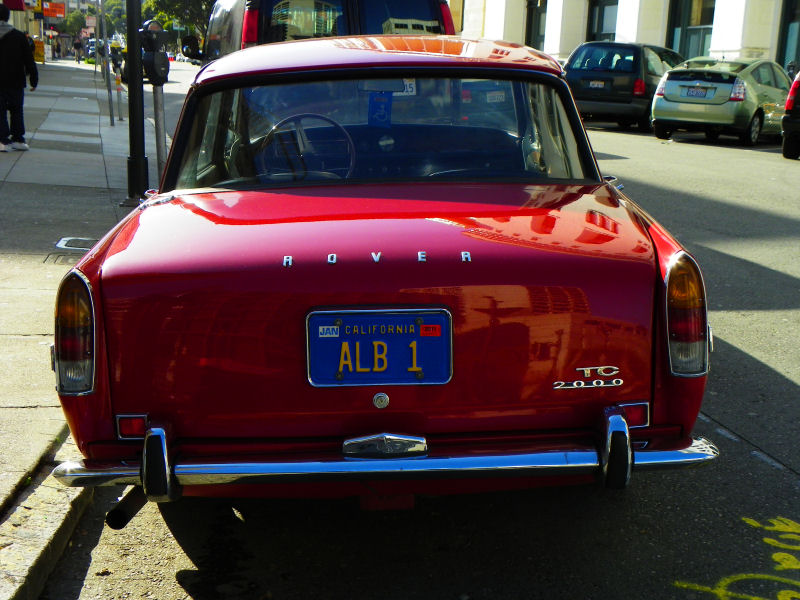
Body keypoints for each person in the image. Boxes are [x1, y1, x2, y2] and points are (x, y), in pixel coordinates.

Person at [0, 3, 38, 152]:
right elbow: (29, 59)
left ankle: (3, 140)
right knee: (16, 110)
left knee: (0, 112)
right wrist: (34, 79)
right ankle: (18, 139)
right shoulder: (19, 36)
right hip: (16, 80)